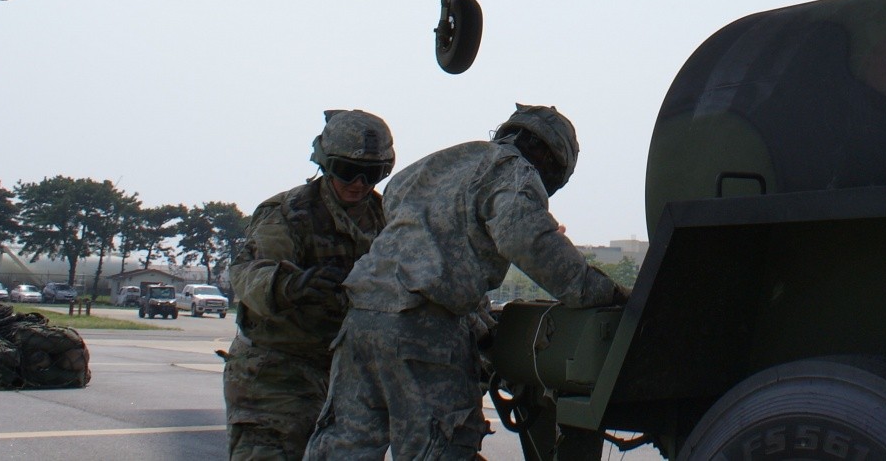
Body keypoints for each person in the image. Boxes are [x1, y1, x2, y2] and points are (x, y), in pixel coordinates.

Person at [303, 104, 627, 461]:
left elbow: (422, 253)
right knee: (439, 450)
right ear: (548, 156)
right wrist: (604, 292)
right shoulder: (511, 171)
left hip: (361, 324)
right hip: (424, 336)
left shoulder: (433, 167)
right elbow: (526, 240)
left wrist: (479, 323)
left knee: (344, 448)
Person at [223, 109, 393, 460]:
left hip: (348, 374)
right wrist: (289, 286)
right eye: (348, 171)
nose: (359, 183)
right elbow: (248, 273)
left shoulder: (389, 218)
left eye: (372, 173)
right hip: (277, 372)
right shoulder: (288, 212)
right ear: (326, 164)